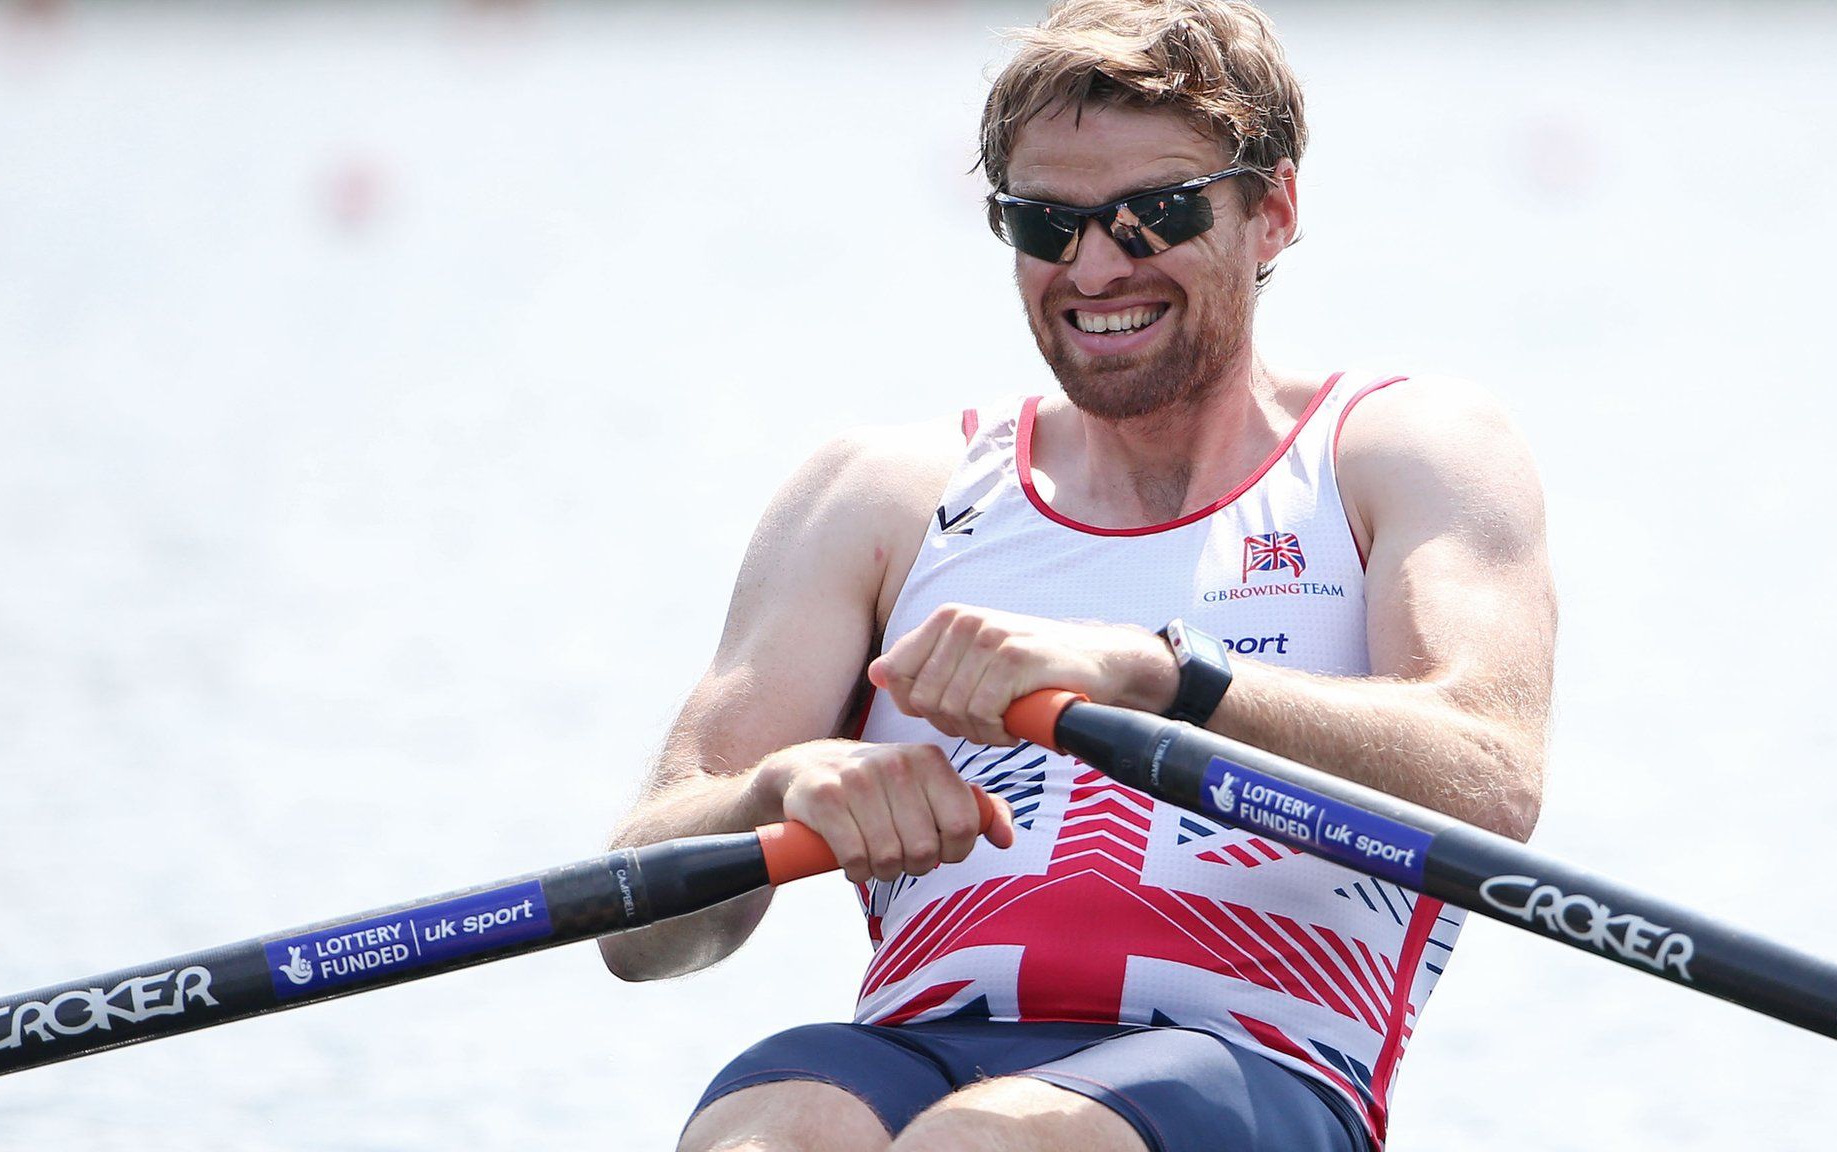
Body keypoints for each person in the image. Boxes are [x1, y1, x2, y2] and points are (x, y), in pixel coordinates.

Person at [600, 2, 1556, 1149]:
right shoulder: (880, 497)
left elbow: (1491, 778)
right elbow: (639, 932)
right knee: (766, 1131)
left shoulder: (1397, 452)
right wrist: (768, 796)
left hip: (1247, 1065)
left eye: (1153, 213)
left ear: (1273, 212)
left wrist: (1156, 678)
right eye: (1044, 222)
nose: (1095, 267)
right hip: (907, 1052)